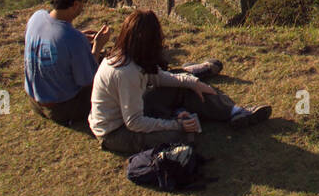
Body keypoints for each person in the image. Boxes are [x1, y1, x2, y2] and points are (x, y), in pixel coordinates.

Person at [89, 9, 270, 155]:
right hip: (115, 132)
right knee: (182, 135)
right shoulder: (126, 72)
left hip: (133, 109)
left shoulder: (131, 56)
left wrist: (190, 82)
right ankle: (179, 115)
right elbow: (134, 122)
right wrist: (176, 125)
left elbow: (157, 77)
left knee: (184, 86)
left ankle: (234, 112)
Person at [23, 0, 110, 124]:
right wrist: (97, 46)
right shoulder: (73, 39)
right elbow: (89, 79)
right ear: (75, 4)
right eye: (84, 2)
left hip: (34, 98)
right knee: (109, 76)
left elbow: (52, 40)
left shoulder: (36, 17)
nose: (83, 6)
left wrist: (79, 37)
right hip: (60, 109)